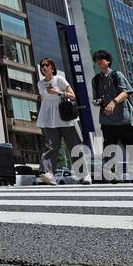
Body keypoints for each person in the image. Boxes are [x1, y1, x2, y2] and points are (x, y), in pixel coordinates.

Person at [36, 57, 90, 185]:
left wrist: (58, 92)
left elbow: (72, 95)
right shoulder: (40, 84)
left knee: (74, 147)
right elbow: (44, 101)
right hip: (50, 120)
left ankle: (84, 175)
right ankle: (49, 174)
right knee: (50, 148)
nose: (44, 67)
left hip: (65, 118)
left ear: (52, 68)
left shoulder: (59, 79)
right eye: (42, 66)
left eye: (47, 65)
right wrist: (42, 118)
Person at [90, 50, 133, 182]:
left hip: (124, 119)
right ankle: (111, 176)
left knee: (132, 147)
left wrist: (113, 101)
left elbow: (126, 92)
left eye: (101, 58)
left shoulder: (117, 75)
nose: (99, 61)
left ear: (108, 61)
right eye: (97, 59)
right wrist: (97, 102)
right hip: (107, 121)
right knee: (109, 149)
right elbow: (96, 98)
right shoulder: (95, 80)